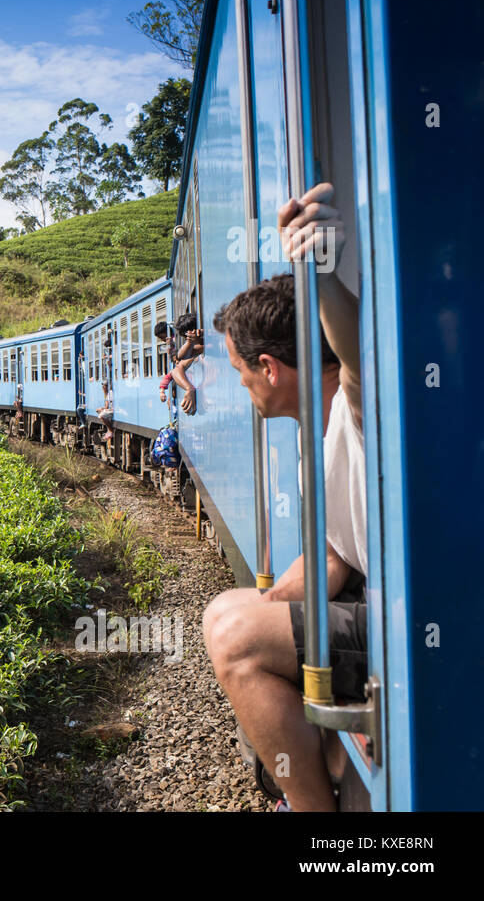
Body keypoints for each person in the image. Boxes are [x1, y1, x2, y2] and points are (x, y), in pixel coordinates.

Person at [202, 182, 364, 813]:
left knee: (238, 636)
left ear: (270, 367)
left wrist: (321, 273)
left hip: (411, 624)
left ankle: (314, 820)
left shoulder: (353, 409)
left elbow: (356, 361)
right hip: (366, 602)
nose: (241, 389)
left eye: (242, 373)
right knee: (232, 610)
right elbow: (332, 559)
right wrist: (268, 603)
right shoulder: (315, 435)